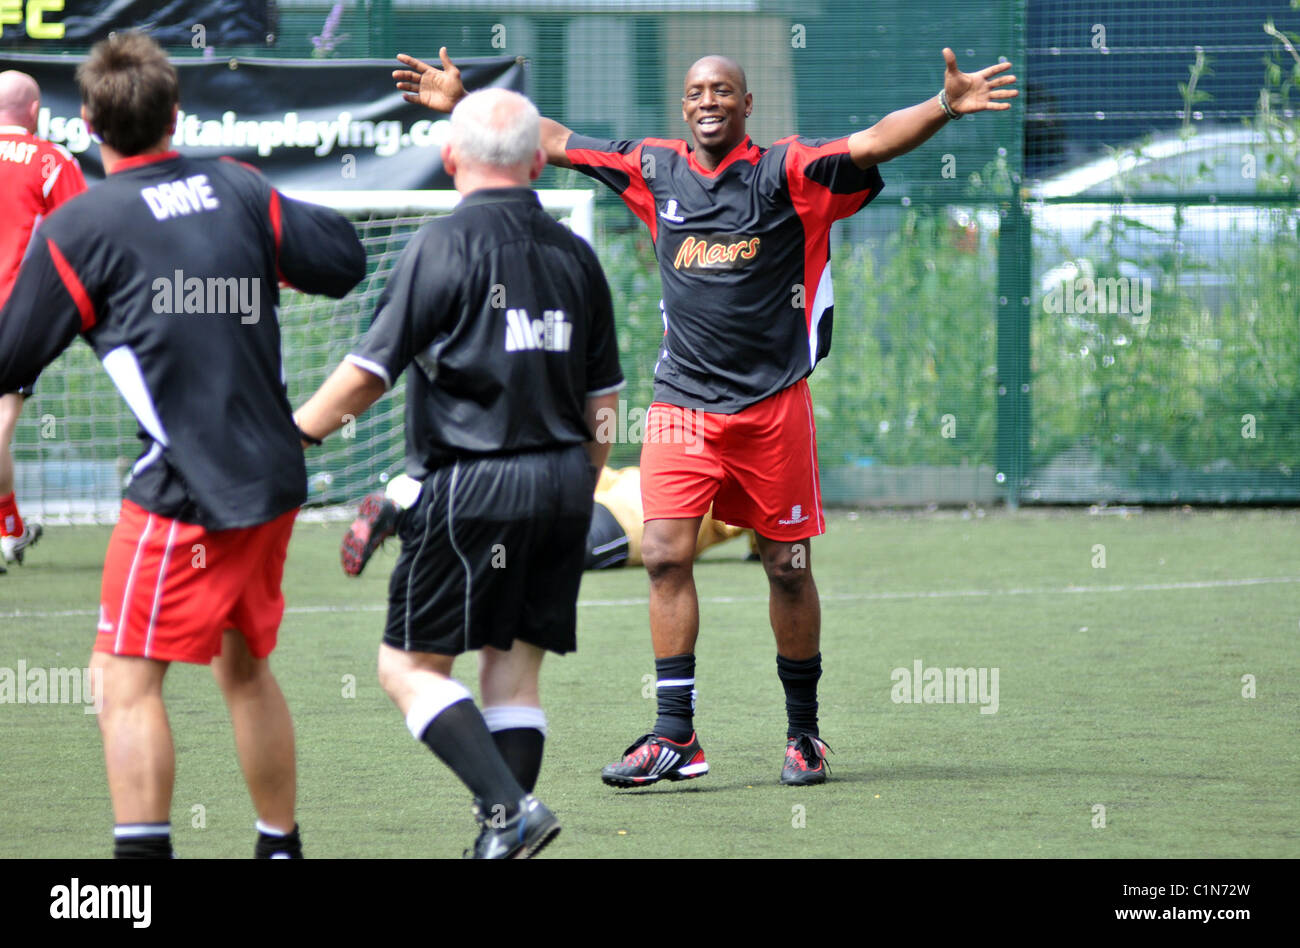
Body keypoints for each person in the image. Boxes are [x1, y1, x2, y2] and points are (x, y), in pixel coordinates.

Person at [394, 47, 1017, 788]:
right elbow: (552, 143)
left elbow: (873, 141)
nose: (708, 100)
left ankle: (805, 734)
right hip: (681, 404)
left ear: (747, 105)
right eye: (695, 92)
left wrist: (944, 105)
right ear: (683, 107)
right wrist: (468, 105)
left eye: (723, 90)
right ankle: (674, 737)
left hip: (771, 407)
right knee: (662, 553)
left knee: (786, 568)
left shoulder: (786, 172)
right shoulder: (652, 168)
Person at [0, 32, 366, 857]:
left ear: (87, 121)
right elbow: (345, 260)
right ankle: (281, 848)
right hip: (275, 478)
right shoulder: (238, 188)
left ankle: (139, 876)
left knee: (122, 682)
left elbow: (10, 357)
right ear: (175, 113)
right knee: (244, 669)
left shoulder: (81, 226)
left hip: (185, 494)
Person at [294, 87, 623, 858]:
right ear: (539, 160)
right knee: (512, 674)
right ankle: (500, 836)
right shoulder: (576, 254)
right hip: (566, 484)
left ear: (450, 160)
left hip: (473, 486)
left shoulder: (440, 244)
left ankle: (511, 810)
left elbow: (369, 373)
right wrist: (582, 481)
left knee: (407, 667)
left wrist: (295, 435)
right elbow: (604, 400)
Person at [339, 465, 751, 576]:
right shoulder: (724, 497)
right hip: (631, 529)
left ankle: (409, 500)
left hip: (602, 494)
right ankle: (429, 535)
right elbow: (760, 520)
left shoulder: (654, 470)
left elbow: (593, 476)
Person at [0, 69, 88, 573]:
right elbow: (84, 234)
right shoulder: (50, 160)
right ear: (34, 112)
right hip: (17, 314)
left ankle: (9, 529)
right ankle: (7, 530)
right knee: (3, 422)